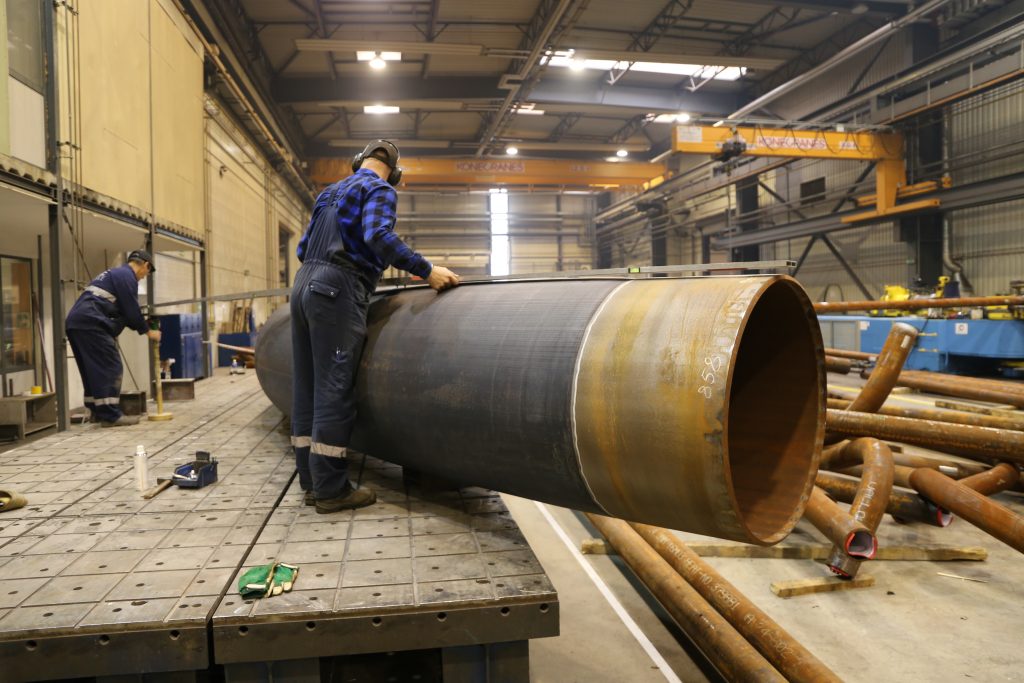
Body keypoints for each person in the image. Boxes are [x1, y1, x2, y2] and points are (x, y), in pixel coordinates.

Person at [291, 139, 460, 514]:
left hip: (303, 284)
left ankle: (311, 482)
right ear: (395, 174)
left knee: (307, 389)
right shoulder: (379, 189)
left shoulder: (329, 193)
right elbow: (377, 236)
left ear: (357, 162)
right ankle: (332, 489)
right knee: (334, 389)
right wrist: (426, 270)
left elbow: (303, 248)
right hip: (337, 289)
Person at [66, 250, 162, 427]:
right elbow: (131, 311)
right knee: (110, 365)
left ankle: (97, 411)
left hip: (77, 322)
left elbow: (122, 311)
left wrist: (137, 320)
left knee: (92, 369)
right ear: (146, 265)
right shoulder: (127, 276)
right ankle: (111, 415)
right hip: (91, 323)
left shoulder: (115, 275)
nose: (143, 277)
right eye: (146, 273)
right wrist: (148, 331)